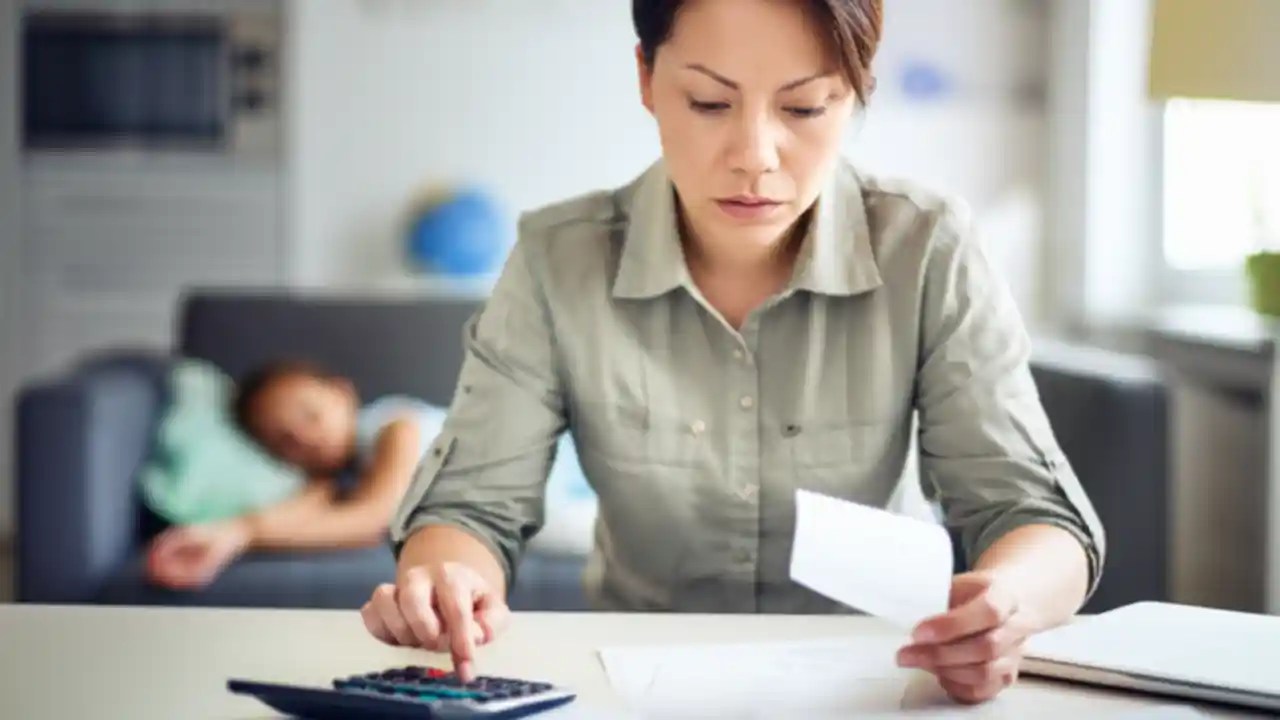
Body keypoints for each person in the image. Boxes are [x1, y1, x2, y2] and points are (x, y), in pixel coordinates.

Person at [361, 0, 1106, 705]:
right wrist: (446, 583)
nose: (755, 156)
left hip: (878, 687)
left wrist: (1006, 605)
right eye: (710, 103)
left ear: (857, 89)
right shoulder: (556, 260)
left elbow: (1030, 510)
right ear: (646, 77)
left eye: (804, 108)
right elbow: (472, 506)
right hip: (630, 688)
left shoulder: (928, 247)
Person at [145, 360, 443, 591]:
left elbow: (372, 518)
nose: (307, 438)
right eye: (287, 442)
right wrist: (223, 536)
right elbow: (310, 507)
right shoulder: (338, 478)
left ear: (343, 392)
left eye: (310, 414)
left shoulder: (396, 425)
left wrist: (246, 533)